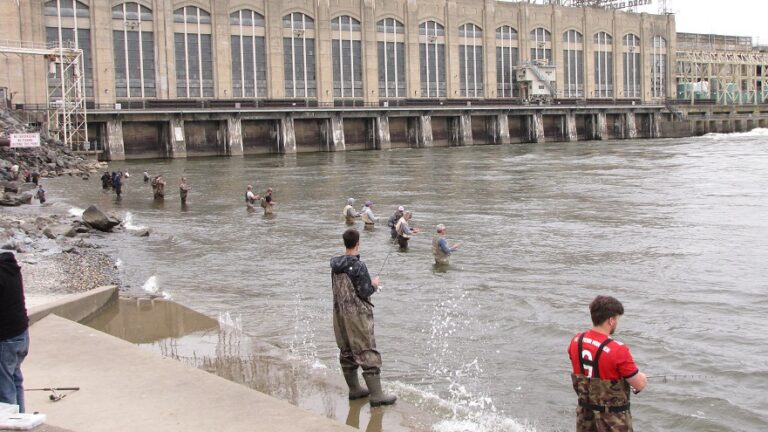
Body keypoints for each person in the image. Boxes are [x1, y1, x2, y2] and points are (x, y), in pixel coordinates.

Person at [330, 229, 397, 407]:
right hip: (357, 316)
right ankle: (377, 396)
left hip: (339, 315)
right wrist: (374, 284)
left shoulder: (335, 265)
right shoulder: (359, 266)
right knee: (367, 350)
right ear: (358, 243)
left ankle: (355, 390)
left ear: (345, 243)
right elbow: (365, 291)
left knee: (346, 350)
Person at [568, 295, 647, 432]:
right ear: (611, 320)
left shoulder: (576, 341)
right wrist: (643, 378)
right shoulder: (618, 349)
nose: (617, 322)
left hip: (585, 415)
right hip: (612, 420)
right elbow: (639, 384)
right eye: (617, 319)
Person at [0, 251, 30, 413]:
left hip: (5, 341)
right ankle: (21, 421)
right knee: (15, 379)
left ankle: (10, 425)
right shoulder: (10, 267)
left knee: (4, 390)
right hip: (21, 336)